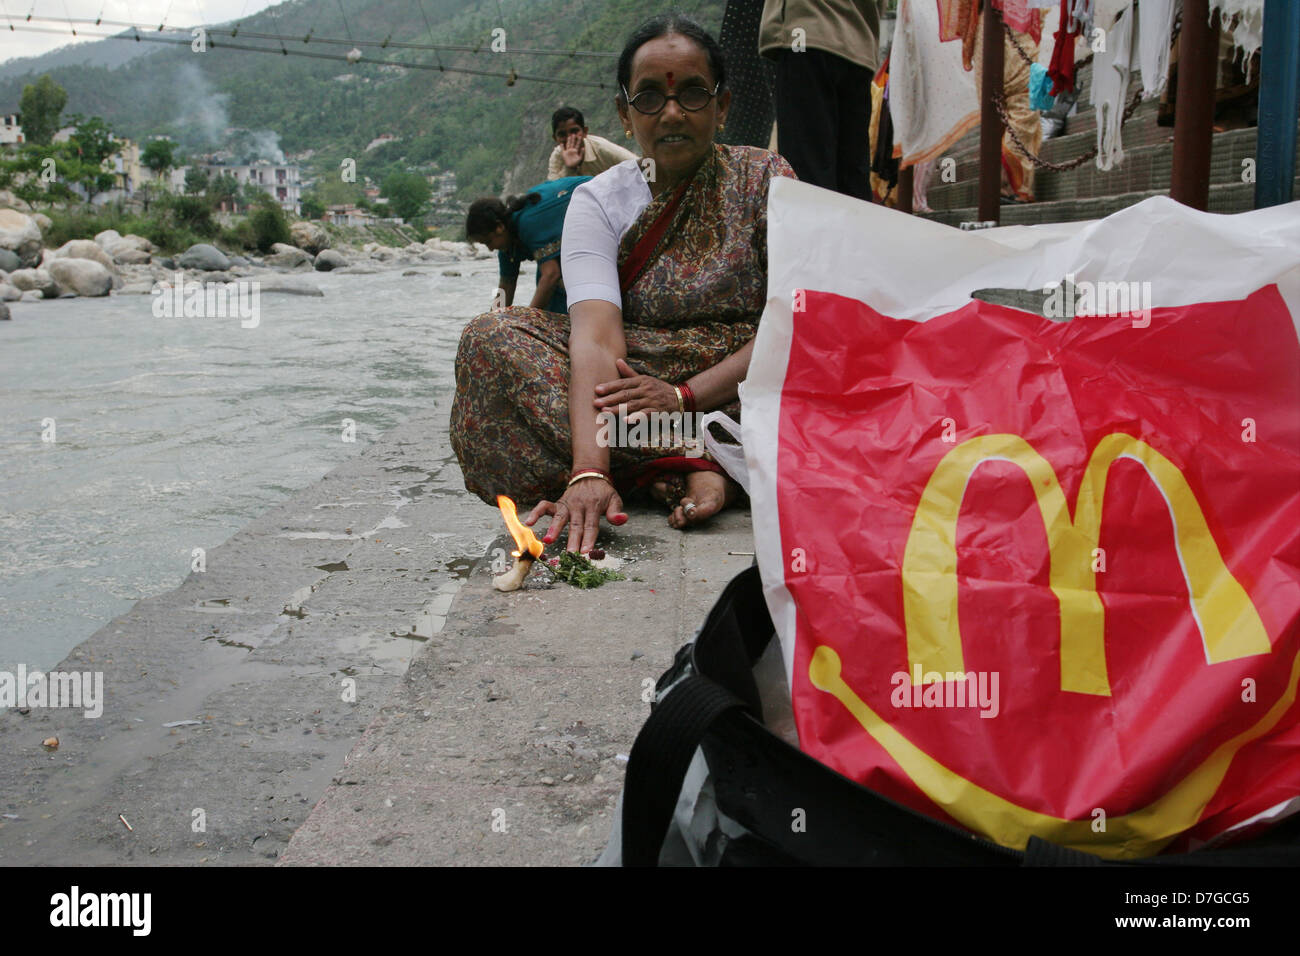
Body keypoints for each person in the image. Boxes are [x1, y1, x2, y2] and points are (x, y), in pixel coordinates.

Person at [450, 13, 797, 555]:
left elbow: (796, 317)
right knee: (490, 342)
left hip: (744, 384)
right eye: (651, 97)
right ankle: (694, 464)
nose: (673, 112)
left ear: (722, 106)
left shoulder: (765, 179)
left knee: (843, 375)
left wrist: (684, 396)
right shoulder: (598, 199)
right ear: (625, 113)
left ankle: (675, 466)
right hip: (636, 383)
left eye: (693, 94)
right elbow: (594, 335)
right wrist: (588, 468)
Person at [758, 0, 882, 199]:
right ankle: (853, 228)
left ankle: (812, 227)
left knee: (807, 173)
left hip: (805, 37)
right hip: (858, 48)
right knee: (852, 175)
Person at [464, 175, 590, 315]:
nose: (490, 249)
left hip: (598, 209)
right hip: (576, 240)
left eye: (488, 242)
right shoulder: (508, 249)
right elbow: (506, 287)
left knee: (553, 286)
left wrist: (527, 321)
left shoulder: (527, 223)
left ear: (499, 227)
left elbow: (551, 274)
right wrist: (490, 321)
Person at [547, 107, 637, 180]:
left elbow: (638, 165)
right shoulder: (557, 156)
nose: (570, 138)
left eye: (574, 131)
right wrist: (570, 168)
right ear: (555, 138)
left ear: (585, 132)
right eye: (562, 134)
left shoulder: (602, 148)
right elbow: (554, 193)